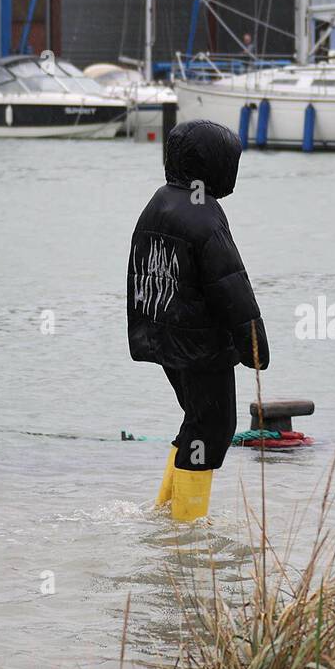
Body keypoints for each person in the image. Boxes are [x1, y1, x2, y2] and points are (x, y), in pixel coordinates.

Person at [127, 120, 269, 522]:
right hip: (200, 344)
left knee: (196, 422)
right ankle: (187, 530)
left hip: (164, 337)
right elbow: (230, 285)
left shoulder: (162, 200)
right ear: (211, 165)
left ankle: (165, 513)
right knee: (213, 429)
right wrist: (254, 345)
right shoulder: (204, 215)